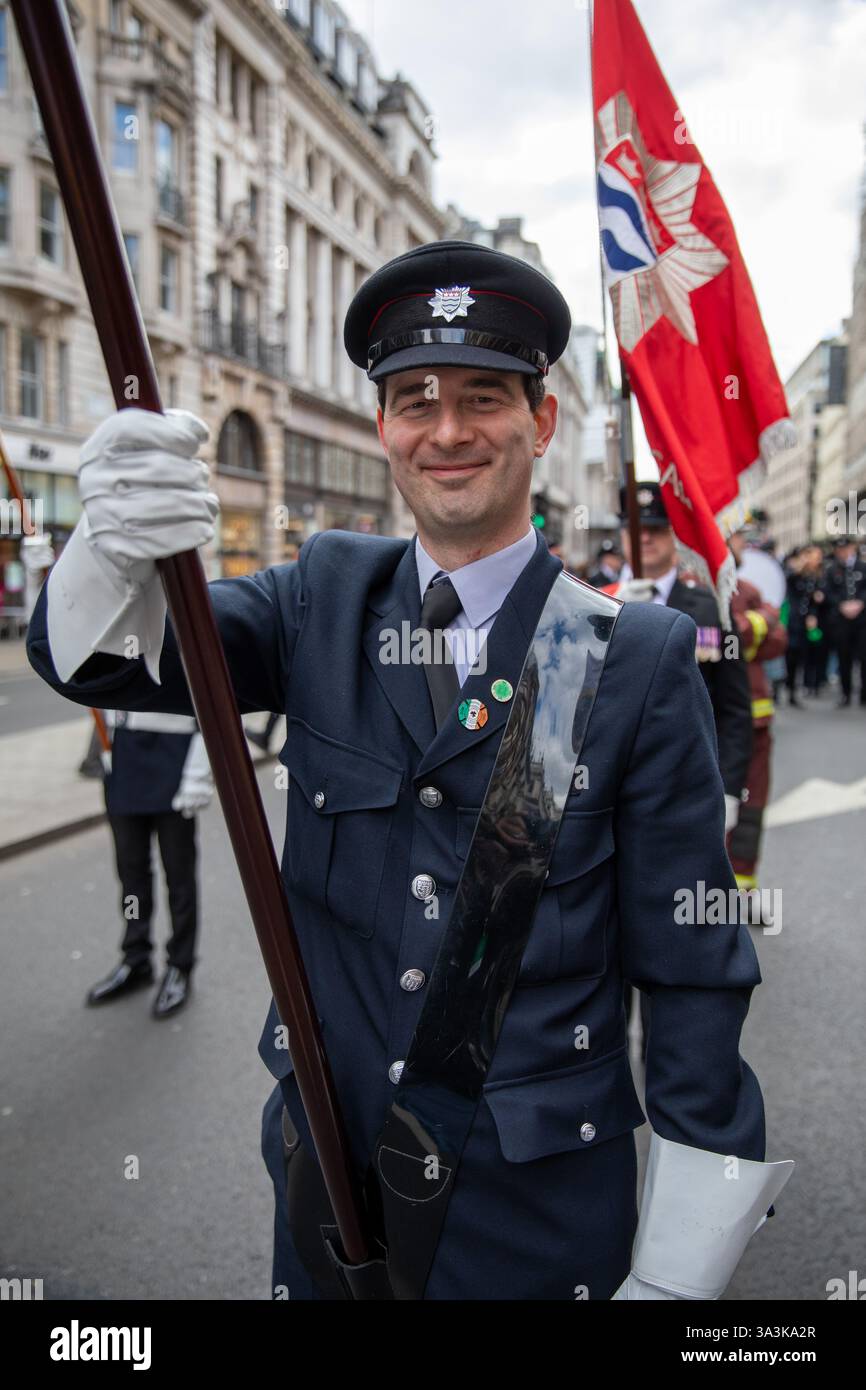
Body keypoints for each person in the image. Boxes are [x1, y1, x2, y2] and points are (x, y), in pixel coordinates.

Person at [27, 240, 791, 1301]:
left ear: (542, 419)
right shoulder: (319, 598)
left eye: (483, 397)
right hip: (328, 1196)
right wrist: (111, 544)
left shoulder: (636, 659)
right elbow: (105, 664)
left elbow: (690, 972)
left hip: (534, 1221)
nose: (446, 432)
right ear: (382, 423)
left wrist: (674, 1273)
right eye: (412, 399)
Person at [611, 482, 752, 833]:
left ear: (673, 534)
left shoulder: (709, 606)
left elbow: (734, 706)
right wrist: (612, 612)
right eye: (635, 529)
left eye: (656, 529)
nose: (644, 538)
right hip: (608, 784)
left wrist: (730, 789)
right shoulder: (593, 600)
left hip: (687, 781)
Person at [86, 709, 213, 1017]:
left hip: (176, 757)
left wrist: (199, 772)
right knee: (131, 876)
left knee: (179, 877)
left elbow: (211, 708)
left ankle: (180, 964)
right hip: (124, 755)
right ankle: (136, 956)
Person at [727, 526, 788, 915]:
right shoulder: (689, 589)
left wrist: (758, 622)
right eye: (731, 538)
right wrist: (754, 624)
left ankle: (743, 891)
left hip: (753, 720)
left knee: (750, 807)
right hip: (712, 720)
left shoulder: (746, 589)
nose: (739, 546)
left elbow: (778, 639)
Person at [824, 535, 866, 708]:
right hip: (841, 620)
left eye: (846, 549)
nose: (843, 552)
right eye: (840, 550)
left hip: (862, 619)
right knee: (844, 657)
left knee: (864, 658)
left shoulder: (863, 567)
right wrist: (842, 605)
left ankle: (864, 695)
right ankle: (846, 693)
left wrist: (860, 603)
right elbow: (828, 592)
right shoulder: (832, 569)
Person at [783, 545, 828, 706]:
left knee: (810, 652)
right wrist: (801, 564)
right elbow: (789, 582)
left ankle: (807, 685)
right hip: (793, 620)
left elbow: (815, 599)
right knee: (791, 654)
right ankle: (787, 686)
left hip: (809, 621)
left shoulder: (818, 575)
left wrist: (813, 614)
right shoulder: (796, 573)